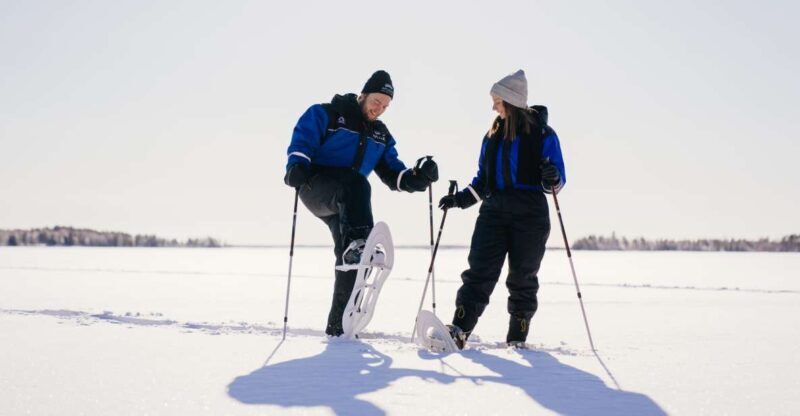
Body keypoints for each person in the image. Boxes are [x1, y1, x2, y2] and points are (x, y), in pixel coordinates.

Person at [284, 70, 439, 336]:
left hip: (348, 202)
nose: (379, 109)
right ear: (363, 94)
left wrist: (417, 177)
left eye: (385, 106)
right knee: (355, 184)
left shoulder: (379, 134)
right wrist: (296, 164)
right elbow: (303, 139)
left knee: (354, 263)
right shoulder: (329, 114)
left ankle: (339, 328)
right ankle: (359, 244)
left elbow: (393, 174)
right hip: (315, 186)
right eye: (376, 101)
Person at [438, 70, 566, 348]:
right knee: (479, 270)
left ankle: (517, 335)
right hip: (494, 211)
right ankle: (459, 329)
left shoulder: (543, 134)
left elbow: (558, 180)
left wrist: (552, 177)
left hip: (530, 213)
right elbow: (482, 181)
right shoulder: (491, 136)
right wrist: (459, 200)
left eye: (497, 101)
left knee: (523, 276)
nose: (494, 107)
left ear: (511, 101)